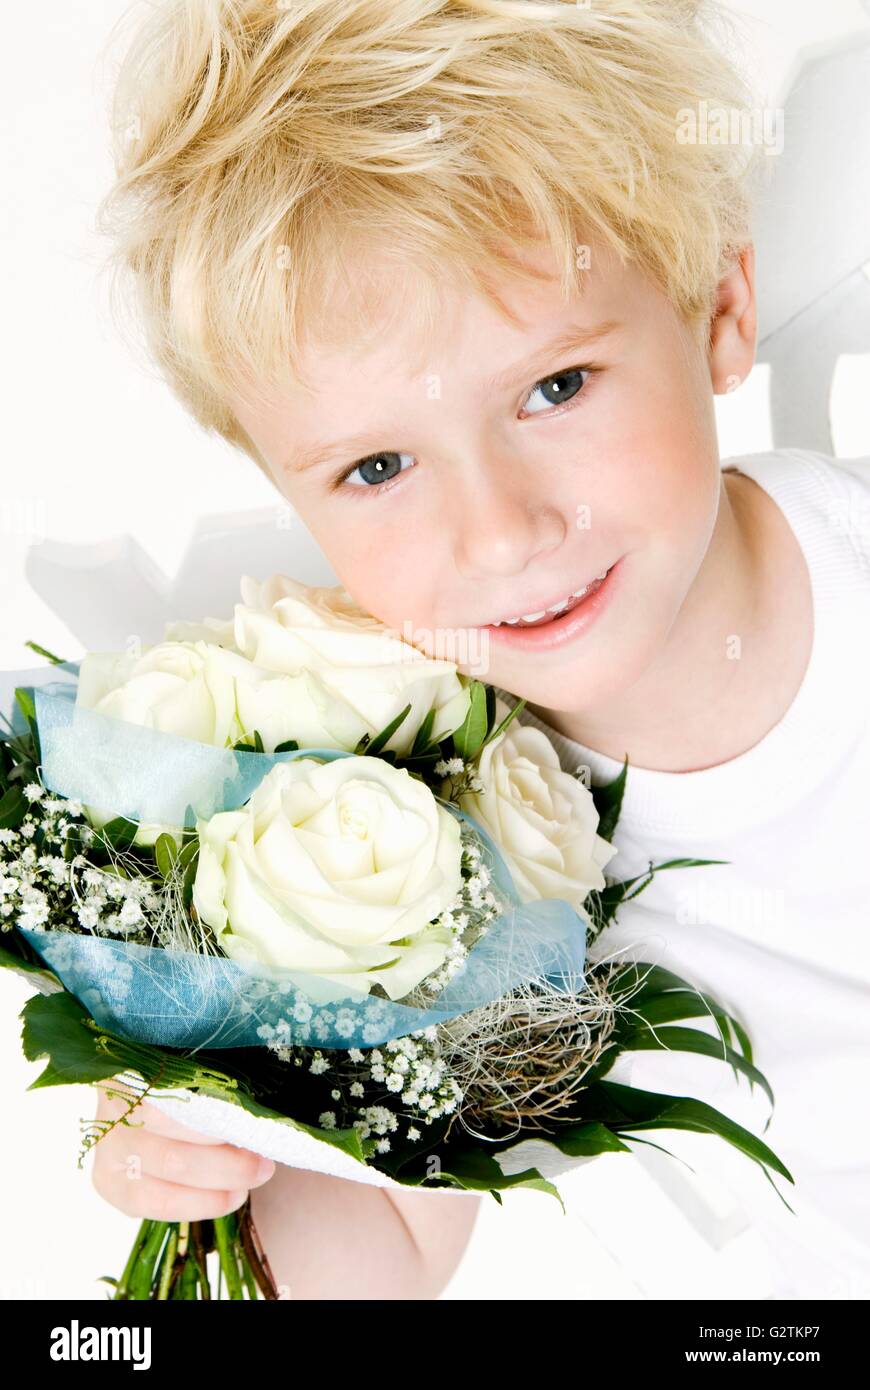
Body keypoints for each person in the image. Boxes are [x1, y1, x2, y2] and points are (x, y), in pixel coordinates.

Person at [90, 0, 870, 1297]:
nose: (502, 534)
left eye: (553, 388)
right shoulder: (388, 826)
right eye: (377, 465)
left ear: (718, 306)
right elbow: (372, 1260)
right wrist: (214, 1129)